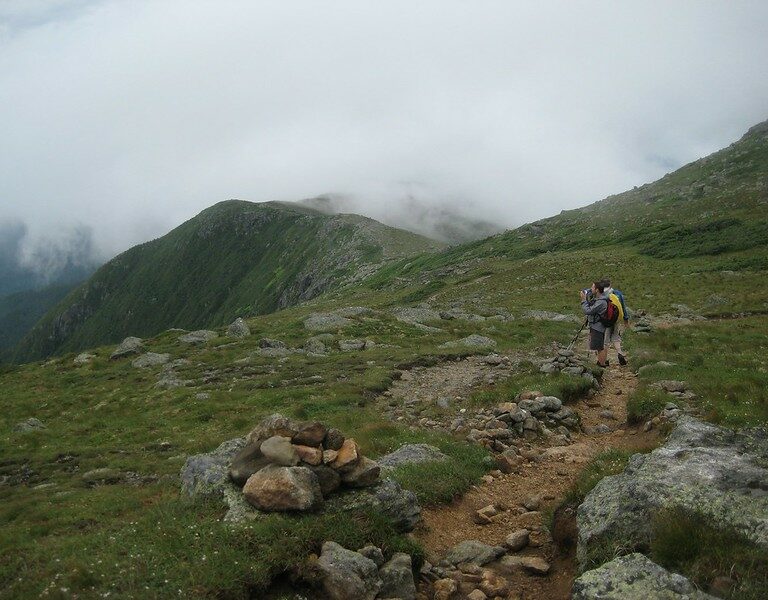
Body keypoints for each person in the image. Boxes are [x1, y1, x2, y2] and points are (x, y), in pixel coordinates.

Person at [580, 280, 609, 367]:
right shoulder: (599, 299)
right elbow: (590, 297)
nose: (590, 288)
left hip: (598, 326)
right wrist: (586, 292)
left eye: (592, 287)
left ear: (597, 290)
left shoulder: (601, 302)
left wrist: (583, 300)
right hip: (596, 325)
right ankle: (601, 363)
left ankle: (601, 365)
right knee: (598, 346)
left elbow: (588, 310)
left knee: (599, 347)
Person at [602, 278, 630, 366]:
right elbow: (623, 307)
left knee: (605, 340)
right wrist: (626, 319)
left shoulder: (600, 293)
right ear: (610, 284)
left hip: (605, 320)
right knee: (616, 337)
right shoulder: (617, 293)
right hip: (615, 319)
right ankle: (620, 353)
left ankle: (605, 360)